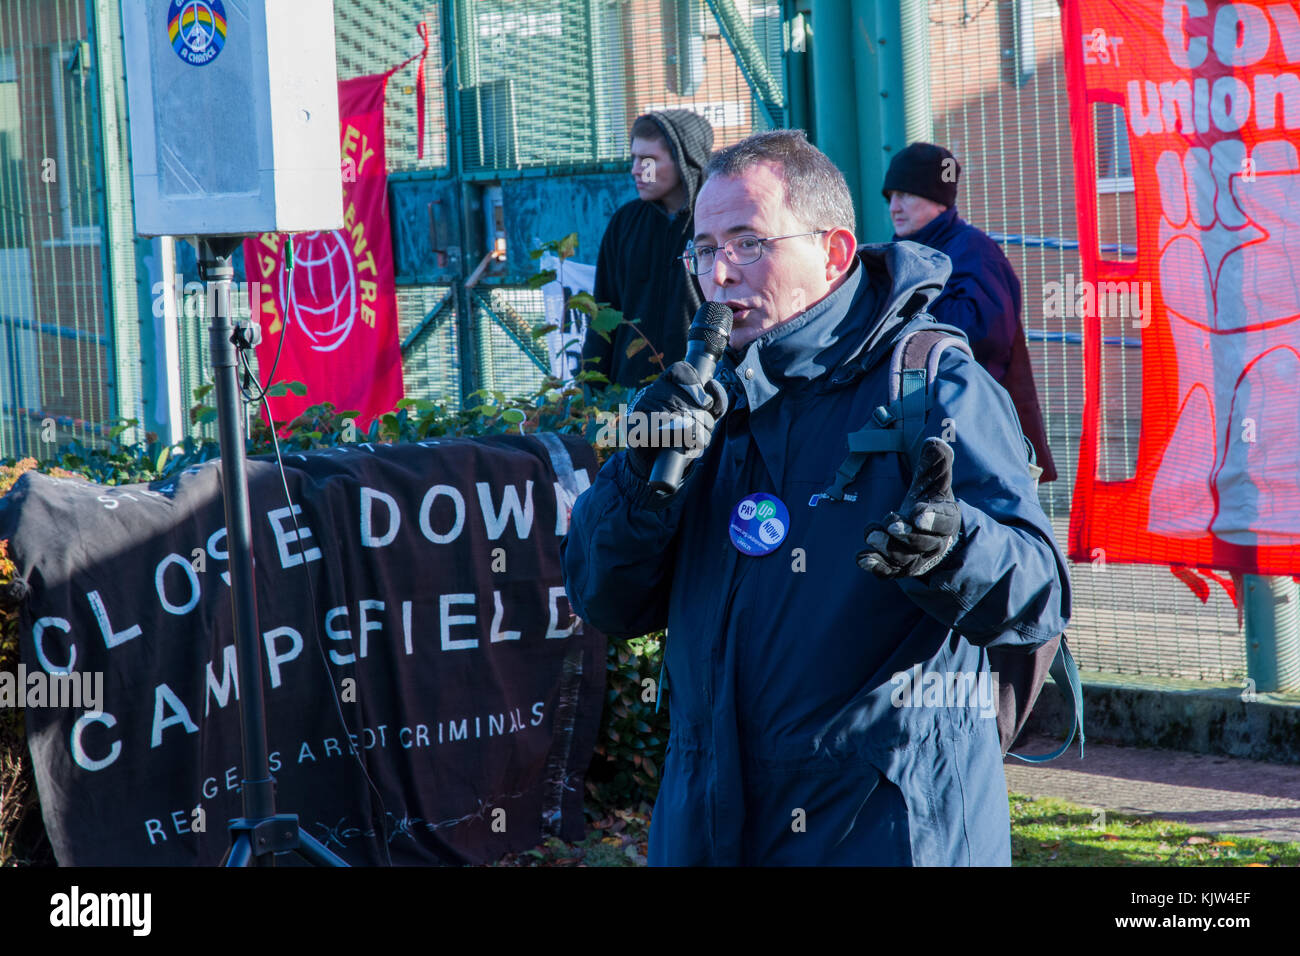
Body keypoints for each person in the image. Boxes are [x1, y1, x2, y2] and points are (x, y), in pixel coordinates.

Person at [561, 130, 1070, 865]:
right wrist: (644, 480)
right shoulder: (690, 397)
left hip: (883, 830)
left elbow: (1040, 595)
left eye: (747, 243)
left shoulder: (931, 384)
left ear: (834, 253)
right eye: (703, 250)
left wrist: (955, 548)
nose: (720, 274)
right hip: (706, 826)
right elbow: (603, 599)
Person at [883, 142, 1058, 482]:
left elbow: (982, 336)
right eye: (890, 196)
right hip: (939, 421)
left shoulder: (973, 250)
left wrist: (903, 305)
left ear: (938, 199)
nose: (894, 207)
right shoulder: (912, 253)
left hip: (978, 428)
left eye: (905, 194)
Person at [581, 110, 714, 389]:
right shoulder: (624, 223)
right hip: (630, 399)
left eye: (648, 160)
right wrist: (589, 391)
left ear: (684, 160)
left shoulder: (716, 221)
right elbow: (604, 313)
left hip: (704, 394)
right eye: (634, 158)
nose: (636, 170)